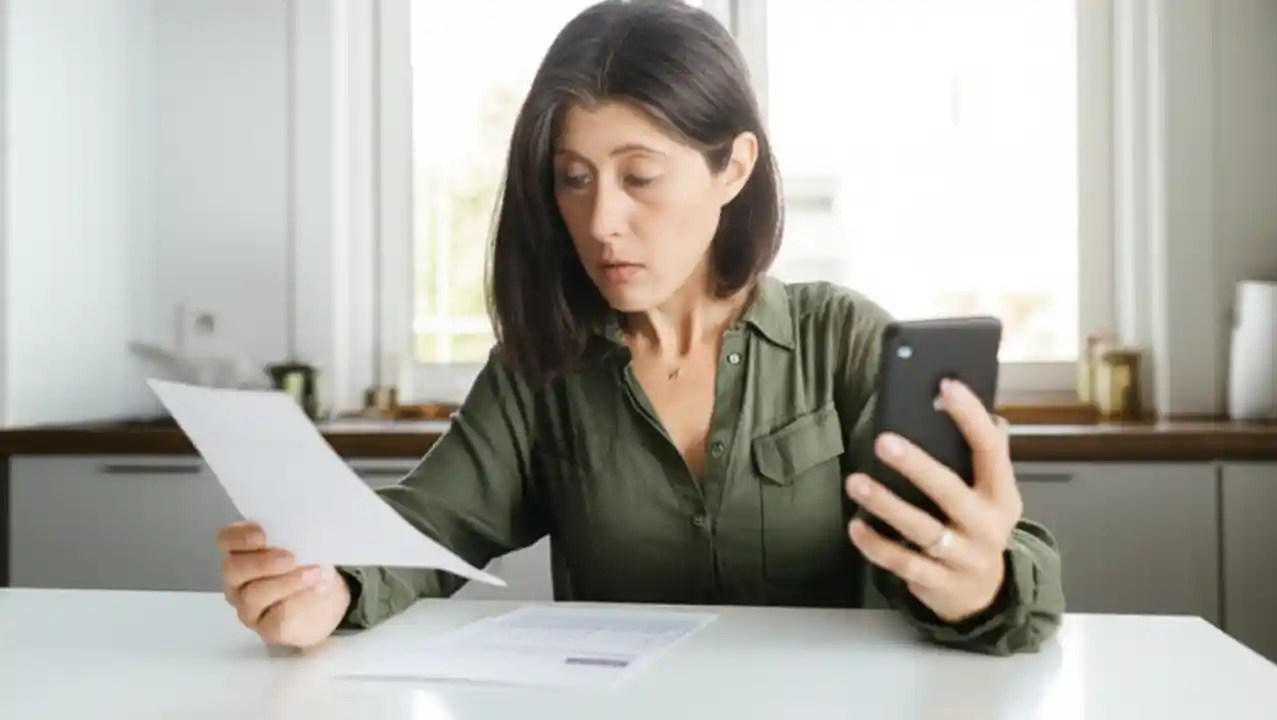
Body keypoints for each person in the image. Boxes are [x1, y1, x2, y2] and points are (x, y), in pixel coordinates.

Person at [215, 0, 1064, 656]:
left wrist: (983, 583)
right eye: (574, 179)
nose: (601, 221)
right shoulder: (541, 368)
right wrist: (333, 583)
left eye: (640, 177)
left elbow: (1002, 567)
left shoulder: (839, 341)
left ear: (732, 167)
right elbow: (423, 530)